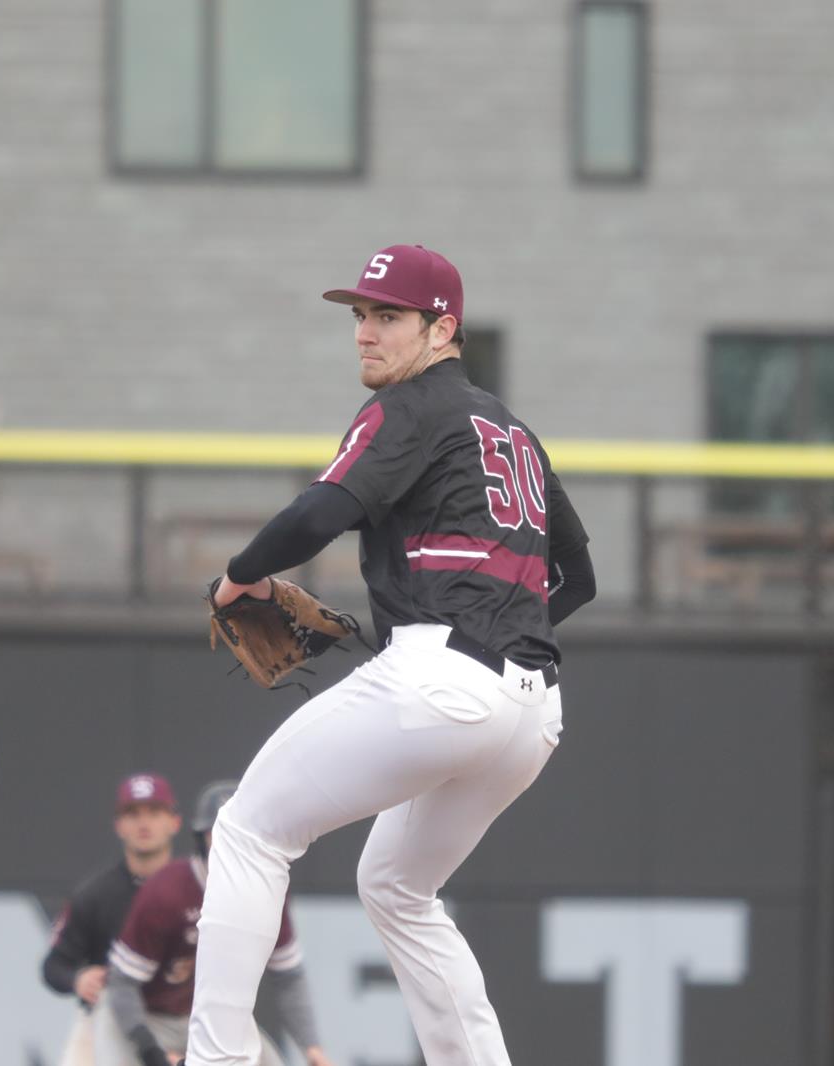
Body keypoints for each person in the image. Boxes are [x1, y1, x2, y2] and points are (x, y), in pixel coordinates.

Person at [185, 244, 596, 1066]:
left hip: (442, 679)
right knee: (399, 888)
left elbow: (320, 512)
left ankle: (216, 1060)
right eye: (361, 316)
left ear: (443, 328)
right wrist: (493, 630)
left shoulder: (410, 408)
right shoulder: (511, 430)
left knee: (249, 830)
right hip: (532, 709)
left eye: (389, 316)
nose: (367, 333)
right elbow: (576, 576)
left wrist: (238, 579)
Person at [102, 780, 332, 1066]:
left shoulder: (267, 890)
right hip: (148, 1020)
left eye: (242, 831)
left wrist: (312, 1048)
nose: (232, 840)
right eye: (221, 831)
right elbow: (122, 985)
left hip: (213, 1015)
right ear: (202, 836)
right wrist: (151, 1050)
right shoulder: (167, 890)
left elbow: (288, 977)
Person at [45, 772, 183, 1066]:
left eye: (155, 812)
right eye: (133, 814)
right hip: (108, 1020)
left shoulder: (195, 891)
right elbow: (53, 966)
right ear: (118, 825)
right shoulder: (95, 894)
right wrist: (77, 978)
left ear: (174, 822)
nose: (144, 823)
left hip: (179, 1021)